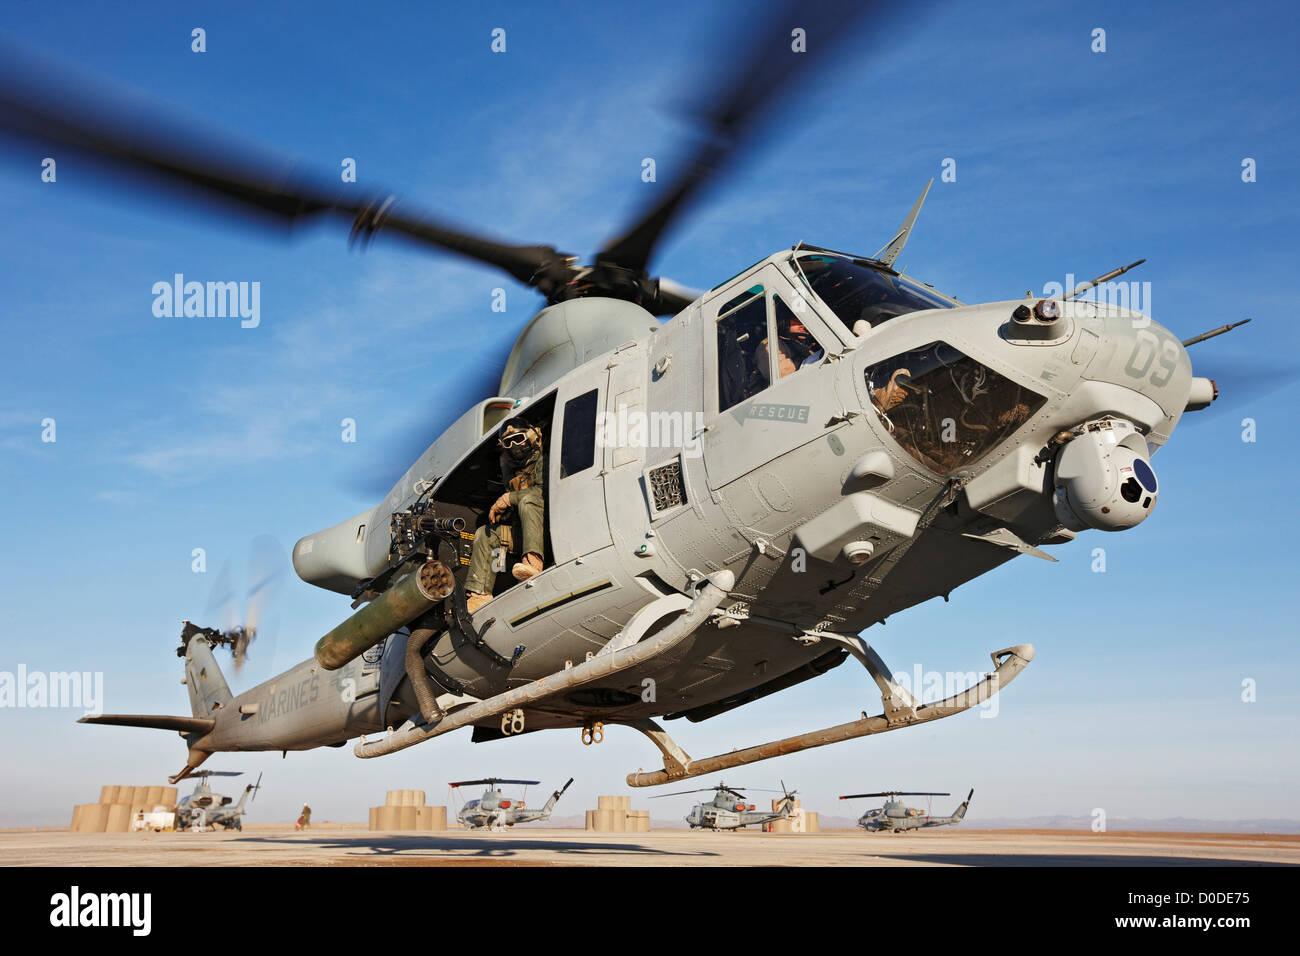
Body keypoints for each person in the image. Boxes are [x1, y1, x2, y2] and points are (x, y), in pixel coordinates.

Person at [465, 418, 546, 614]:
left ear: (531, 437)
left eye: (518, 439)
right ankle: (479, 595)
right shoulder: (513, 474)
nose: (515, 447)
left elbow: (545, 494)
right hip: (524, 534)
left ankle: (534, 562)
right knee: (486, 534)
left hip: (547, 533)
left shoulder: (544, 462)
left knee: (527, 501)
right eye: (508, 443)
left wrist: (510, 498)